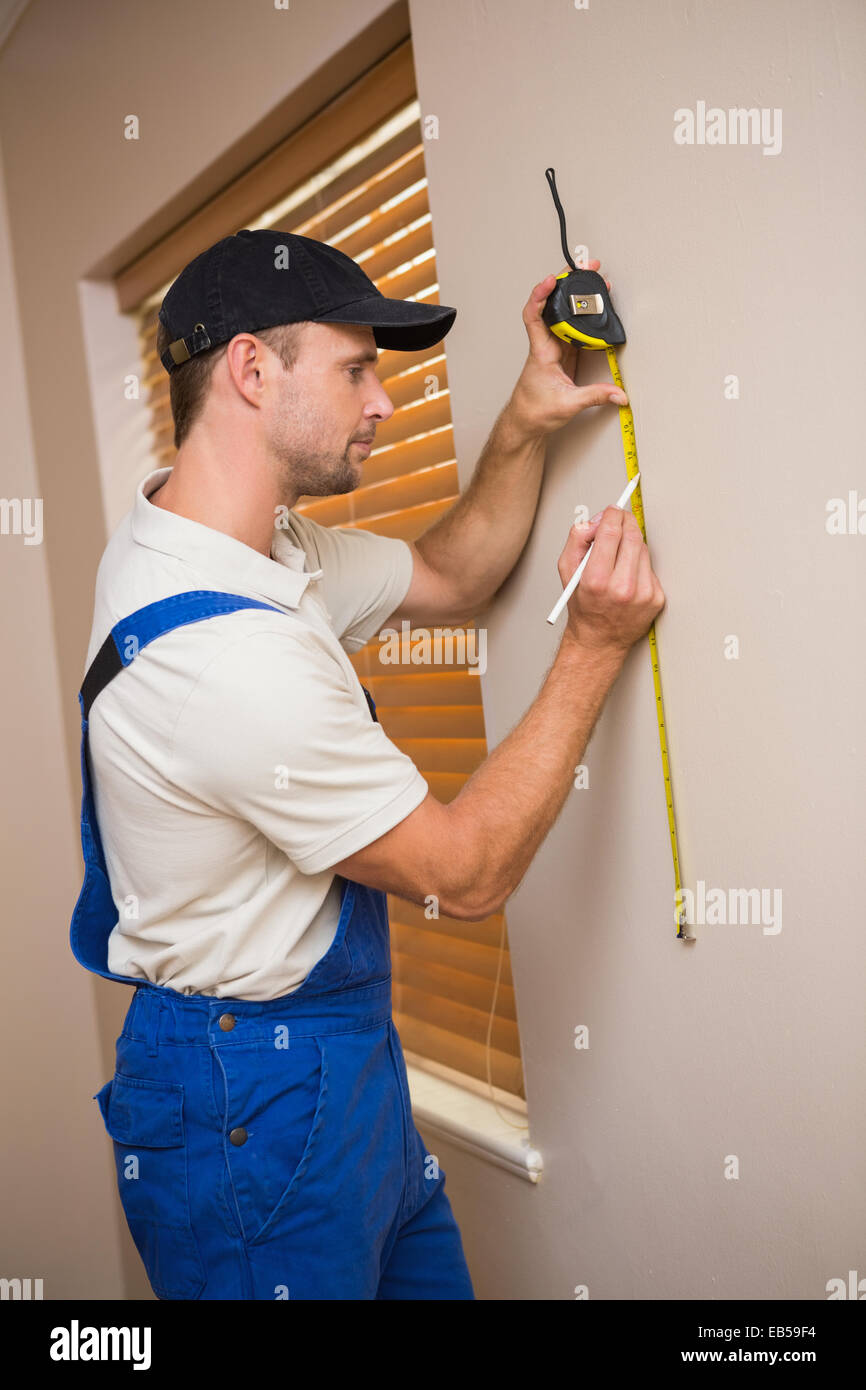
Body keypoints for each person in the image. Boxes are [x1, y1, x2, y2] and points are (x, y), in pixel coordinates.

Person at [71, 227, 664, 1301]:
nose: (382, 402)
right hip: (243, 1111)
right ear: (252, 369)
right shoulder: (223, 658)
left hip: (337, 1075)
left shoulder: (241, 544)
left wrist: (527, 419)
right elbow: (464, 870)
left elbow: (448, 571)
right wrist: (591, 652)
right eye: (355, 370)